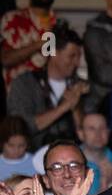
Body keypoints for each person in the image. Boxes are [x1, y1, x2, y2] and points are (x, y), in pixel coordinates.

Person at [6, 22, 86, 150]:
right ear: (54, 53)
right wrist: (63, 107)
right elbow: (21, 127)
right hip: (31, 159)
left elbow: (89, 134)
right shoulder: (24, 83)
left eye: (79, 57)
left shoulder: (82, 86)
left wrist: (76, 109)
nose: (77, 63)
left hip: (72, 158)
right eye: (72, 56)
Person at [1, 0, 58, 87]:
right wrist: (38, 45)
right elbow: (5, 59)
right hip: (17, 96)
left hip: (49, 96)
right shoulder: (13, 20)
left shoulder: (58, 23)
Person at [79, 113, 112, 195]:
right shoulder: (71, 161)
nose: (98, 134)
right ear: (80, 134)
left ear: (108, 132)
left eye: (102, 128)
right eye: (92, 129)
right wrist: (105, 183)